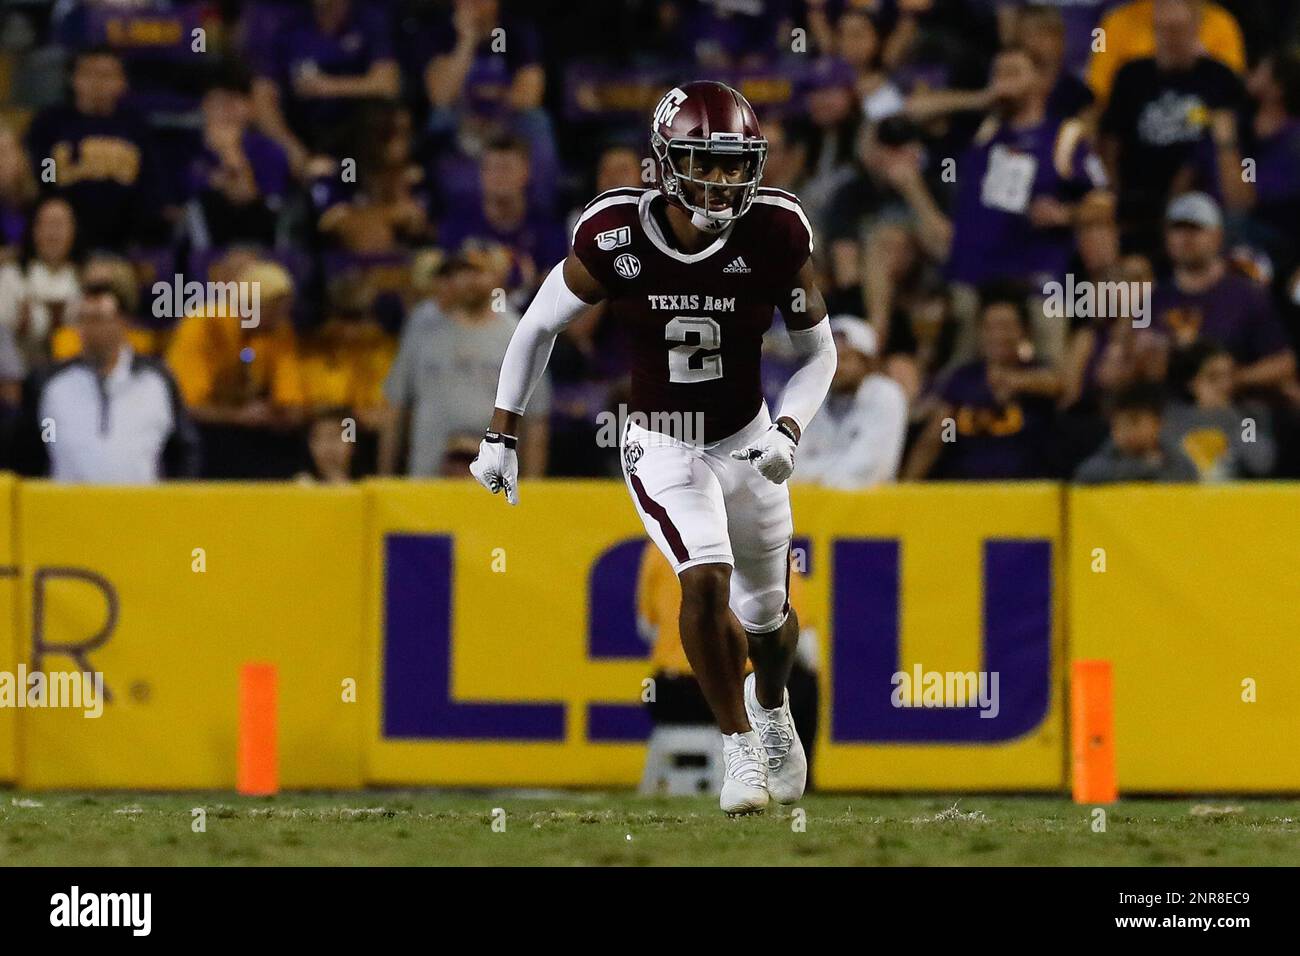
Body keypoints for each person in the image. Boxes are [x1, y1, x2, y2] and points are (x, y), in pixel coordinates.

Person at [469, 82, 837, 815]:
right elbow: (537, 324)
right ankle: (738, 747)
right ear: (667, 164)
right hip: (663, 446)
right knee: (703, 581)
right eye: (708, 162)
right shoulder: (617, 233)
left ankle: (772, 712)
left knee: (768, 618)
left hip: (747, 438)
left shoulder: (773, 231)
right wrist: (501, 430)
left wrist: (790, 431)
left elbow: (819, 354)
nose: (725, 181)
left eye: (737, 166)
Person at [381, 242, 549, 478]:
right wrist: (385, 475)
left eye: (476, 271)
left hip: (494, 481)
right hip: (427, 478)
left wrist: (532, 489)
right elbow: (396, 406)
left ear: (498, 277)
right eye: (460, 272)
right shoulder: (422, 325)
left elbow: (536, 420)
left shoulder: (519, 334)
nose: (467, 279)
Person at [20, 283, 198, 483]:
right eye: (83, 320)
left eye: (99, 319)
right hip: (67, 508)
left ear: (122, 322)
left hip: (142, 508)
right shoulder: (51, 385)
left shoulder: (156, 382)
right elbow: (36, 447)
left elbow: (182, 450)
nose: (91, 329)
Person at [795, 316, 908, 487]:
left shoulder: (886, 395)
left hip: (868, 506)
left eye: (845, 359)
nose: (835, 366)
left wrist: (813, 474)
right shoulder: (806, 394)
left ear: (867, 363)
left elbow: (869, 468)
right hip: (810, 506)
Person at [1074, 382, 1200, 483]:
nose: (1125, 430)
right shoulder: (1103, 461)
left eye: (1134, 421)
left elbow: (1188, 479)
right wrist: (1145, 467)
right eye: (1118, 424)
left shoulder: (1176, 462)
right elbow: (1086, 474)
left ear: (1157, 424)